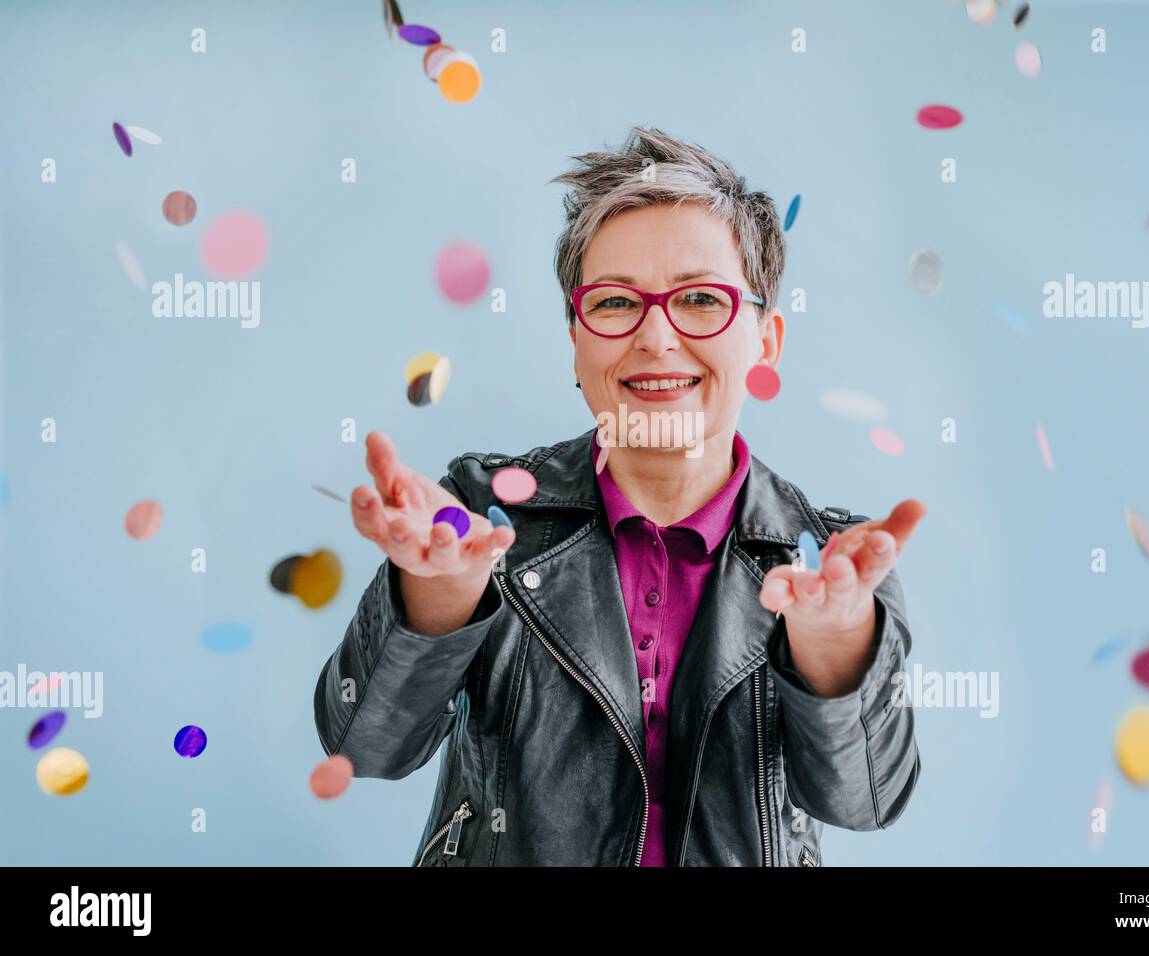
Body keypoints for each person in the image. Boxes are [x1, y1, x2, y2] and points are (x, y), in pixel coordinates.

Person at [314, 126, 926, 866]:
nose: (657, 337)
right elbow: (365, 746)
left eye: (701, 299)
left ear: (766, 341)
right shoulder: (480, 514)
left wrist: (832, 645)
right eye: (613, 303)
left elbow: (864, 803)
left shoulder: (833, 562)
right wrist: (438, 598)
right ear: (575, 335)